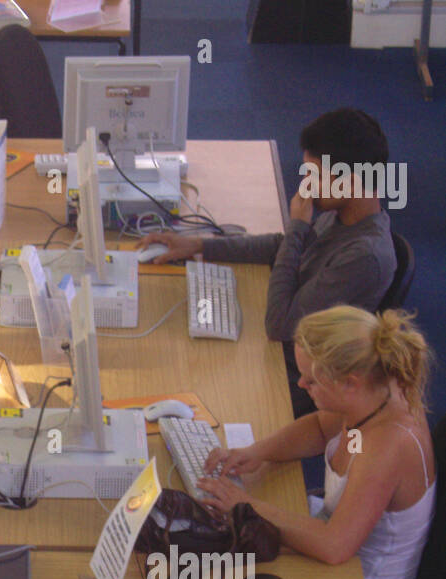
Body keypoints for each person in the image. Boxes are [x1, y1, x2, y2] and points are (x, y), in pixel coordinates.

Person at [197, 306, 435, 579]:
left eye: (311, 379)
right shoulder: (373, 393)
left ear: (349, 383)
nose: (301, 384)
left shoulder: (388, 446)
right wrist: (257, 452)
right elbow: (321, 427)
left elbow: (334, 545)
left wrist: (246, 504)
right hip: (335, 550)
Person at [141, 108, 397, 415]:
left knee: (180, 370)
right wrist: (197, 246)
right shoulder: (340, 215)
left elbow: (280, 325)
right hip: (279, 344)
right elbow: (283, 246)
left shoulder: (364, 257)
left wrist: (299, 227)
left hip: (295, 373)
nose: (305, 185)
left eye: (314, 176)